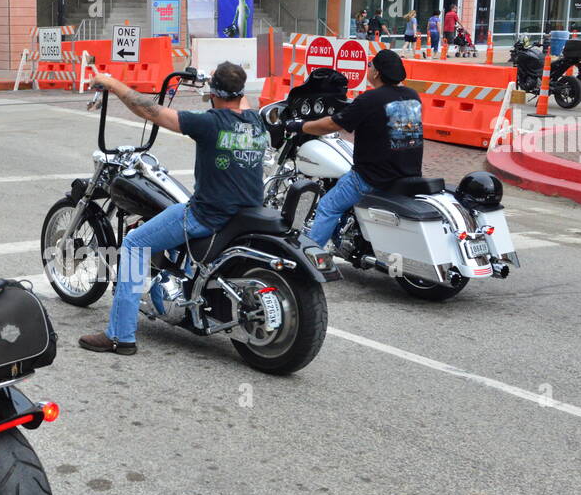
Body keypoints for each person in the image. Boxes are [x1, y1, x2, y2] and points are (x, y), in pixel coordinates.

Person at [78, 61, 266, 356]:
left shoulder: (210, 123)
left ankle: (119, 335)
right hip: (246, 215)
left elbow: (149, 110)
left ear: (214, 93)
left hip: (208, 216)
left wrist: (112, 84)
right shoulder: (255, 121)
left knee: (134, 243)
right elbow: (239, 99)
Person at [286, 49, 423, 249]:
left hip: (372, 177)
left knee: (328, 206)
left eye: (370, 65)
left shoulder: (370, 99)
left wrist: (300, 126)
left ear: (376, 73)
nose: (368, 69)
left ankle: (309, 256)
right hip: (407, 174)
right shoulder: (412, 96)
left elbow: (332, 125)